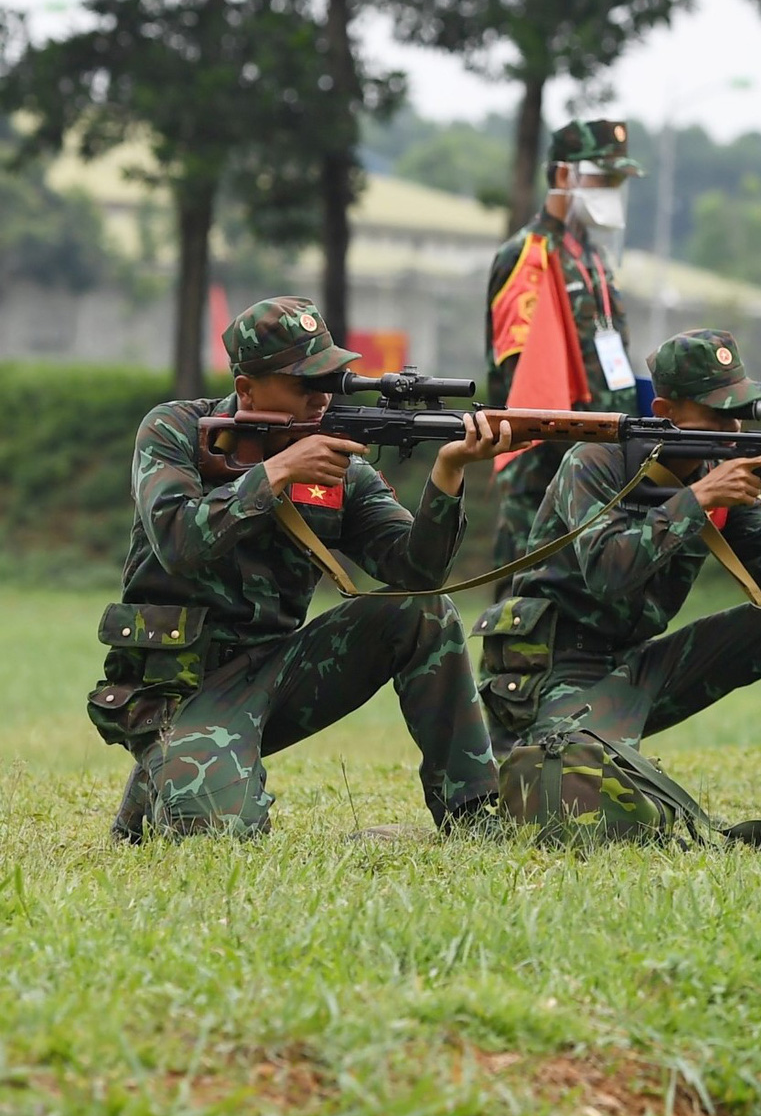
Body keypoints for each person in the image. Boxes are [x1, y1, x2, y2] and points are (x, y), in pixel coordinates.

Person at [88, 296, 512, 839]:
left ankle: (473, 818)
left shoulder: (338, 468)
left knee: (423, 611)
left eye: (329, 383)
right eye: (303, 385)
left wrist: (449, 472)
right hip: (181, 683)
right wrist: (278, 471)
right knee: (218, 837)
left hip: (278, 672)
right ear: (246, 390)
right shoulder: (174, 431)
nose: (319, 401)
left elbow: (416, 571)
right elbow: (179, 541)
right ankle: (167, 770)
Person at [476, 329, 761, 762]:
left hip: (639, 667)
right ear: (665, 411)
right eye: (716, 414)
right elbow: (608, 573)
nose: (732, 431)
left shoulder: (716, 471)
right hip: (560, 670)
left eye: (738, 414)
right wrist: (698, 499)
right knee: (580, 779)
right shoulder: (595, 462)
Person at [485, 117, 644, 566]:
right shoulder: (529, 256)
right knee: (527, 609)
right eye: (603, 178)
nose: (612, 190)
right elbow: (525, 385)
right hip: (543, 476)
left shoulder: (593, 256)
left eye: (619, 181)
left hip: (601, 465)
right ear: (562, 176)